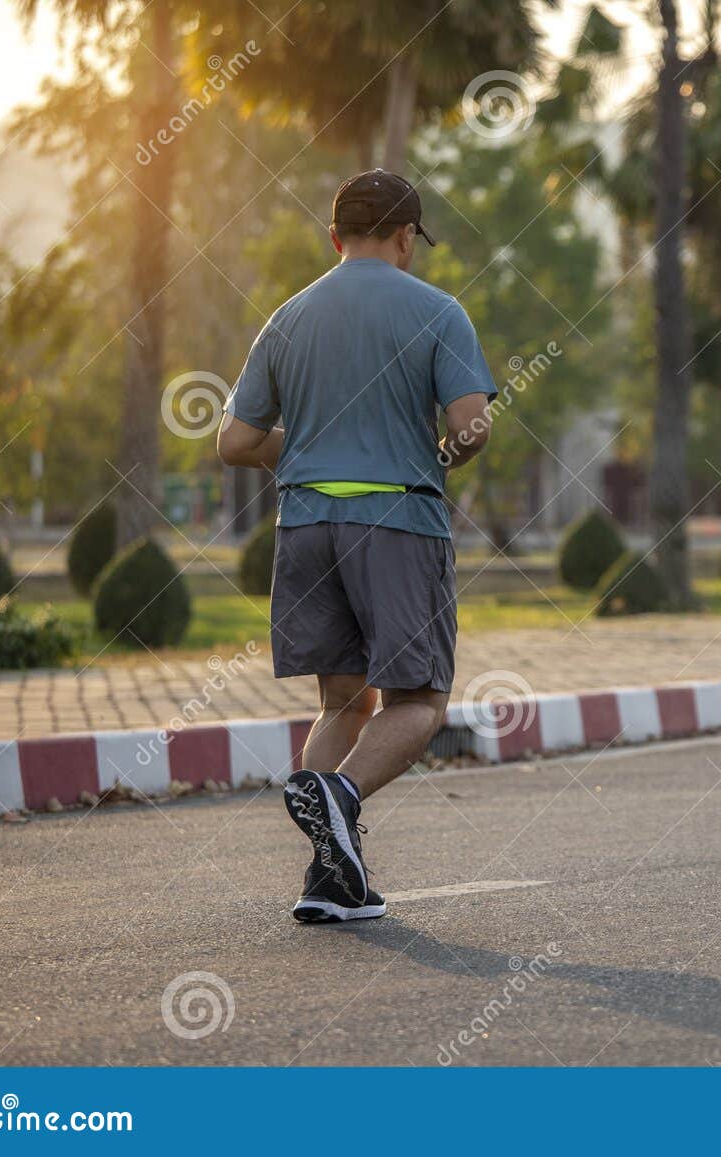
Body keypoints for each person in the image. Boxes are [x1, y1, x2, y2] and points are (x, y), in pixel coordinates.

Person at [217, 170, 496, 923]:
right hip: (397, 522)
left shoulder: (286, 317)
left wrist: (308, 451)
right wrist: (440, 453)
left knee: (344, 701)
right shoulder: (437, 310)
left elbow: (235, 440)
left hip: (305, 526)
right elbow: (471, 424)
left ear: (334, 237)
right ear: (407, 236)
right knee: (419, 700)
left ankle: (329, 879)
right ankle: (337, 792)